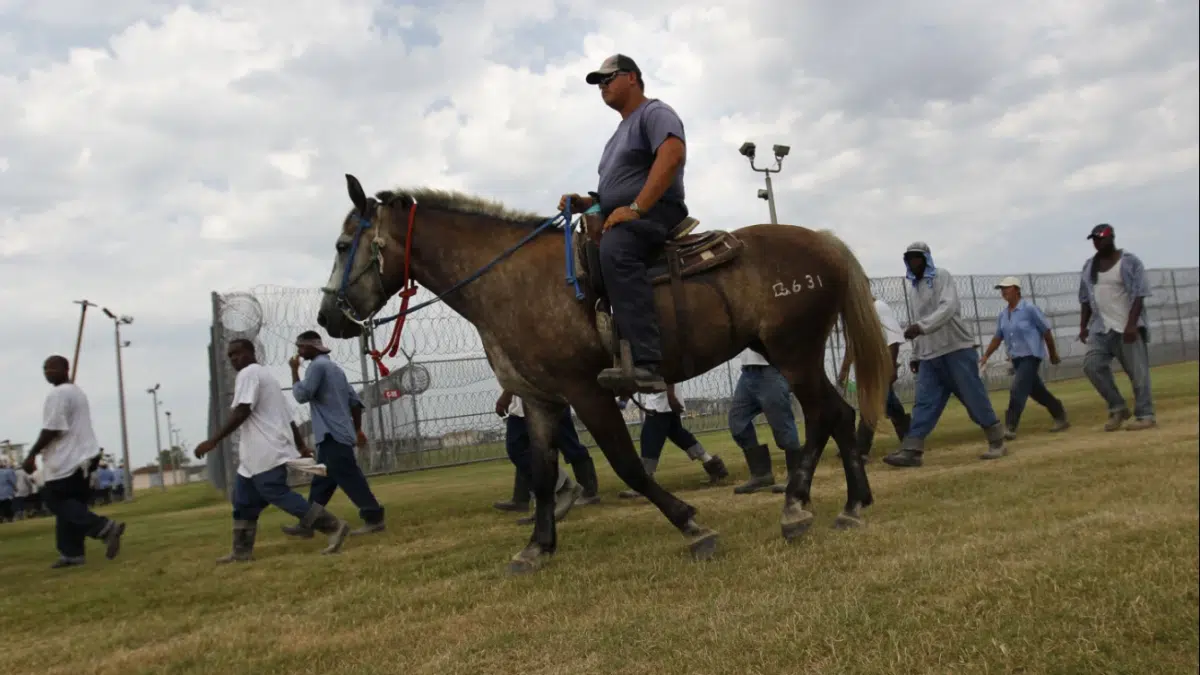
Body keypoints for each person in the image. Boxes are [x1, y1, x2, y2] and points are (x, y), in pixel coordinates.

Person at [559, 53, 690, 393]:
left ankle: (646, 360)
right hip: (624, 212)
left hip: (657, 210)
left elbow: (672, 153)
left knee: (616, 250)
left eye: (608, 78)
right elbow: (613, 192)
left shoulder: (654, 112)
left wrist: (636, 207)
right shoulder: (615, 136)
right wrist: (589, 204)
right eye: (598, 83)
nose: (602, 86)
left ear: (632, 77)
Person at [194, 339, 351, 563]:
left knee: (277, 493)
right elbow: (289, 419)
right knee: (242, 501)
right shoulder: (268, 378)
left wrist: (213, 441)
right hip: (253, 457)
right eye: (230, 356)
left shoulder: (249, 373)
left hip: (266, 450)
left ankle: (334, 527)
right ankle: (241, 552)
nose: (233, 359)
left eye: (237, 353)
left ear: (251, 352)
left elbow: (242, 411)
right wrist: (301, 446)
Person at [883, 243, 1008, 468]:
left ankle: (997, 439)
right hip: (929, 356)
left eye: (917, 258)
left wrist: (921, 326)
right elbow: (917, 324)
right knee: (924, 403)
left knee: (973, 396)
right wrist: (916, 355)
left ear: (926, 259)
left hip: (956, 349)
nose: (913, 262)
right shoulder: (913, 289)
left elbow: (948, 308)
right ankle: (912, 450)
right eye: (909, 259)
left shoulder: (942, 276)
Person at [21, 355, 126, 568]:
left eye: (51, 367)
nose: (47, 371)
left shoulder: (59, 394)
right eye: (45, 368)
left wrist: (32, 454)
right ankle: (72, 552)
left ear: (65, 369)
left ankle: (103, 528)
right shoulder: (76, 392)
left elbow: (53, 428)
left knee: (55, 499)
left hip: (69, 458)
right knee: (71, 504)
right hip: (85, 455)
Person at [280, 331, 386, 538]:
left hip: (331, 434)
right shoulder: (334, 368)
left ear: (312, 346)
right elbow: (355, 402)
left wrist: (294, 372)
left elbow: (302, 395)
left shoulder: (317, 367)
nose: (299, 352)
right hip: (338, 433)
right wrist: (356, 429)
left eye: (301, 347)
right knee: (322, 482)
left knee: (349, 477)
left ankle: (374, 517)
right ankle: (308, 523)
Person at [1077, 224, 1156, 431]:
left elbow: (1139, 295)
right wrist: (1083, 326)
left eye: (1101, 238)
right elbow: (1085, 299)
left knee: (1138, 374)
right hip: (1101, 328)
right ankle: (1118, 407)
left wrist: (1131, 325)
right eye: (1094, 239)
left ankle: (1145, 415)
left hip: (1127, 328)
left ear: (1112, 238)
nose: (1097, 242)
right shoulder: (1089, 266)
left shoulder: (1129, 262)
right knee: (1092, 366)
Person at [979, 276, 1069, 439]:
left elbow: (1046, 332)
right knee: (1037, 392)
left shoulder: (1029, 309)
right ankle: (1059, 414)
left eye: (1007, 288)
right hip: (1016, 359)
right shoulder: (1003, 315)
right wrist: (986, 355)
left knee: (1017, 389)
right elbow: (998, 337)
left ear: (1017, 289)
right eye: (1001, 289)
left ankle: (1010, 427)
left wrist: (1053, 354)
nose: (1003, 291)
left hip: (1031, 356)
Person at [492, 391, 590, 524]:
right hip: (520, 404)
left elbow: (521, 370)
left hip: (539, 398)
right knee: (520, 450)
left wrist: (506, 395)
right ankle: (560, 488)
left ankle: (555, 498)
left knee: (560, 447)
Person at [617, 386, 728, 499]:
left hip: (662, 400)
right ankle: (714, 466)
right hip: (664, 398)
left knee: (650, 438)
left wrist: (671, 395)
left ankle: (645, 483)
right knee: (677, 434)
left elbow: (668, 371)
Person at [838, 297, 912, 461]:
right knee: (890, 404)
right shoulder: (856, 315)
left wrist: (891, 365)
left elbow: (893, 338)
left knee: (872, 404)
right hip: (867, 368)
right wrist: (844, 371)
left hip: (881, 366)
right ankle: (910, 438)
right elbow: (852, 345)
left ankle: (861, 448)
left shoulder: (878, 307)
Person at [726, 349, 804, 494]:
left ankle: (796, 478)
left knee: (782, 425)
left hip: (771, 370)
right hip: (748, 372)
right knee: (737, 421)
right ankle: (761, 475)